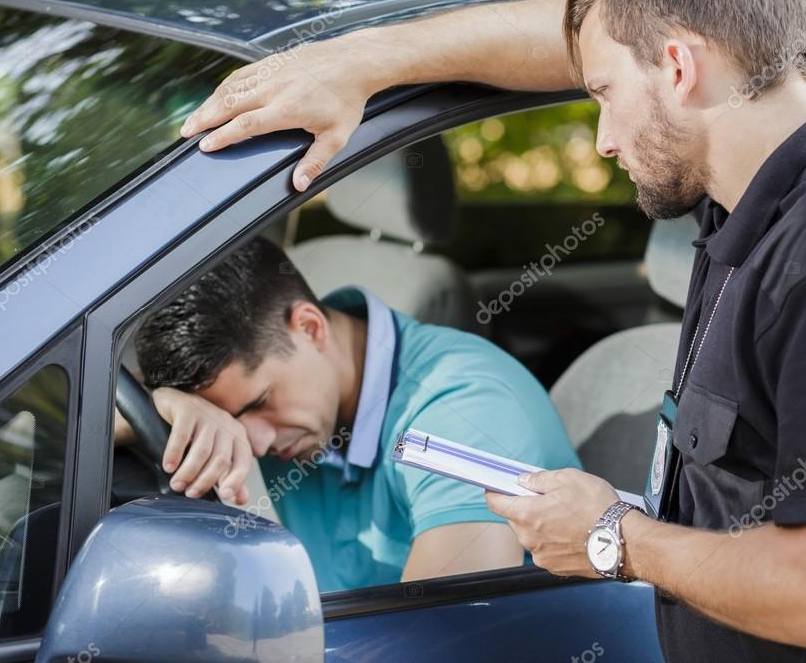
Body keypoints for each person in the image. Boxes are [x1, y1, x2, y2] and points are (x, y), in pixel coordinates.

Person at [179, 0, 806, 661]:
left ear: (677, 66)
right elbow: (583, 34)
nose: (600, 138)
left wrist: (615, 535)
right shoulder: (747, 193)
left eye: (601, 94)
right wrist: (365, 62)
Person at [127, 237, 580, 592]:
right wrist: (165, 404)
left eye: (259, 403)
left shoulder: (463, 406)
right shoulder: (297, 403)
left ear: (309, 327)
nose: (256, 444)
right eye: (225, 418)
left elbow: (436, 641)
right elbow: (80, 425)